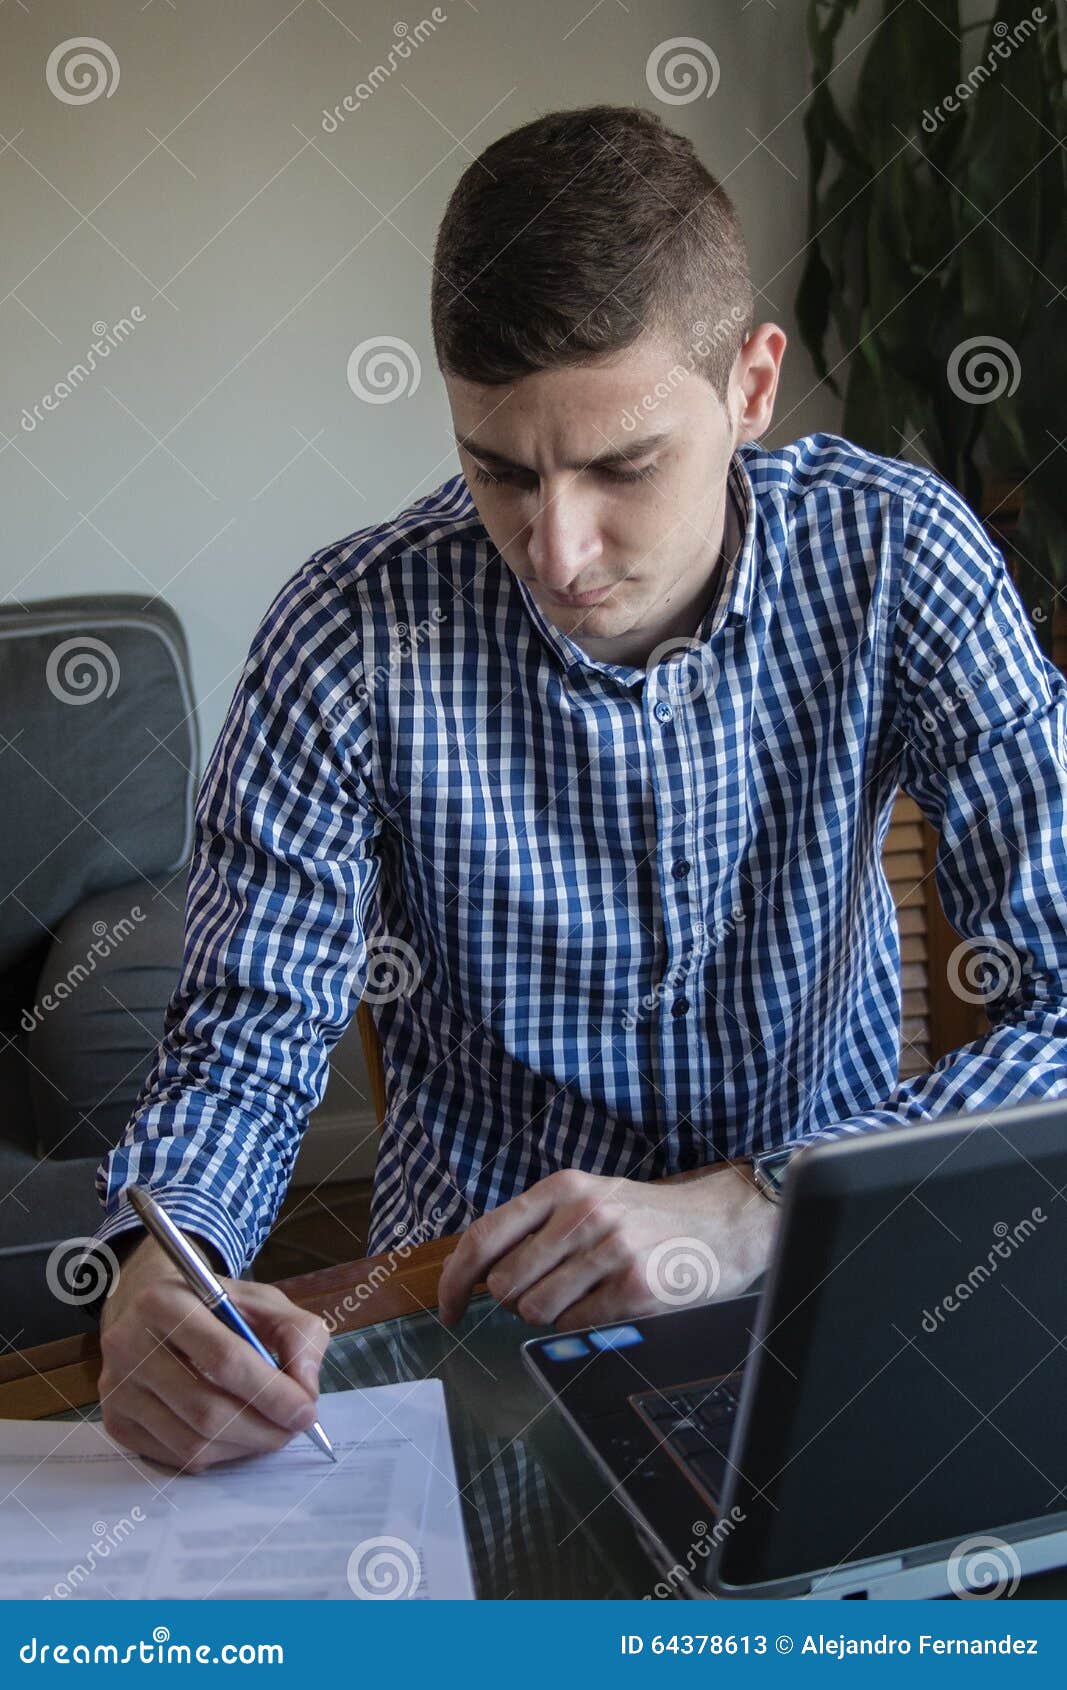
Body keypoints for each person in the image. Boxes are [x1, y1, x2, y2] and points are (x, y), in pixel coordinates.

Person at [90, 104, 1067, 1474]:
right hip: (475, 1324)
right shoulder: (348, 633)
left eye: (622, 467)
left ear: (752, 385)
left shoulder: (901, 555)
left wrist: (756, 1203)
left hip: (826, 1284)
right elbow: (246, 1038)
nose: (556, 549)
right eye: (499, 468)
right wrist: (165, 1258)